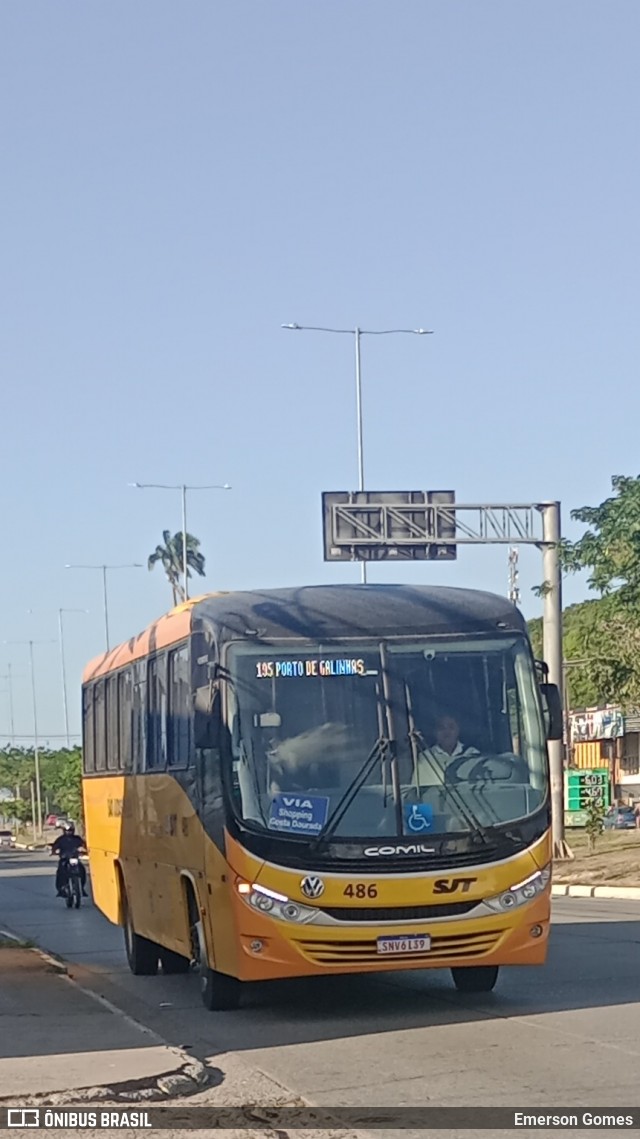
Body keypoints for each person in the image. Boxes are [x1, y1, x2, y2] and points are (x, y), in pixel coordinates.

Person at [414, 714, 480, 786]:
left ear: (458, 730)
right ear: (435, 732)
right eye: (441, 728)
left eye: (451, 727)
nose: (447, 732)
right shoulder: (426, 756)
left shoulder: (472, 753)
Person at [51, 823, 88, 897]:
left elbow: (84, 846)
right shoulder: (60, 839)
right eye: (67, 831)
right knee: (60, 872)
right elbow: (55, 846)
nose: (69, 832)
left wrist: (83, 850)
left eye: (70, 830)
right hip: (64, 859)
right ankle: (61, 889)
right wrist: (54, 851)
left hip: (74, 858)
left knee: (82, 870)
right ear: (64, 831)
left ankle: (81, 887)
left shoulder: (77, 839)